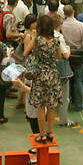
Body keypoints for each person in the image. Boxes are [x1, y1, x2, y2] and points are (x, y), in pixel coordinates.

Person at [25, 13, 67, 144]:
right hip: (53, 75)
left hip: (40, 75)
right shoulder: (56, 41)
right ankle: (50, 132)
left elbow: (26, 52)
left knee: (41, 107)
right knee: (52, 106)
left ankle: (41, 134)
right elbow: (59, 56)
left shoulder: (37, 40)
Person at [60, 4, 83, 113]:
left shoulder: (62, 26)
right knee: (78, 80)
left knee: (66, 81)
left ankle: (66, 104)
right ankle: (79, 104)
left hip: (66, 54)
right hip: (78, 54)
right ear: (74, 12)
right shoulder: (81, 26)